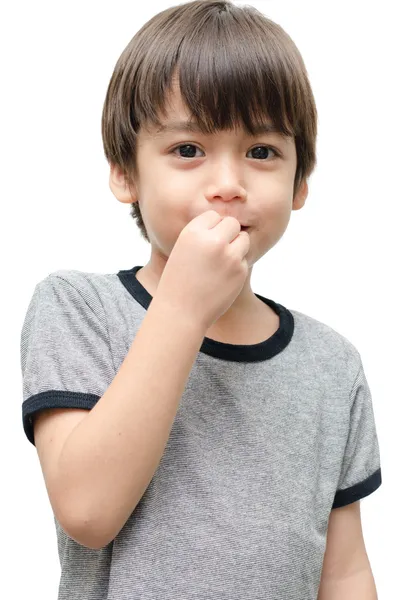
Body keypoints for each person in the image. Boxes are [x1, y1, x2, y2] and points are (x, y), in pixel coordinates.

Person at [20, 1, 382, 599]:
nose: (228, 184)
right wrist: (185, 308)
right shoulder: (78, 307)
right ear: (124, 172)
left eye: (261, 152)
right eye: (188, 150)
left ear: (300, 184)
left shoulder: (332, 365)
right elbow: (86, 511)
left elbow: (343, 572)